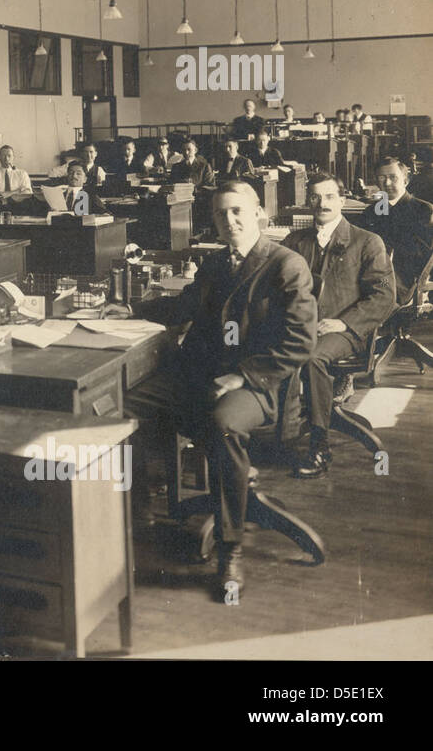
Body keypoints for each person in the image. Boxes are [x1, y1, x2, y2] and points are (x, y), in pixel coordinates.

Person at [133, 181, 316, 599]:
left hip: (260, 383)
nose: (229, 220)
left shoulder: (286, 264)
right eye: (220, 214)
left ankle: (230, 550)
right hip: (202, 376)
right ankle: (138, 514)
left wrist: (242, 377)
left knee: (224, 425)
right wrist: (129, 309)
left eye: (237, 211)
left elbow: (300, 343)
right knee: (126, 405)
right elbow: (184, 307)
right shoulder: (216, 265)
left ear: (258, 214)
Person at [282, 174, 394, 479]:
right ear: (308, 202)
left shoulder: (367, 241)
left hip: (346, 331)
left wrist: (342, 322)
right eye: (316, 197)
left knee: (313, 357)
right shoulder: (295, 241)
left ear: (342, 201)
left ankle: (319, 445)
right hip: (300, 328)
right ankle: (282, 429)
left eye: (330, 196)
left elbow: (384, 295)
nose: (322, 204)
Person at [358, 157, 433, 304]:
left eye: (393, 177)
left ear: (406, 180)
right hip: (371, 273)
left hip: (403, 278)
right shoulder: (371, 212)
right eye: (382, 177)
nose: (387, 183)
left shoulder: (424, 210)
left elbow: (422, 256)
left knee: (374, 293)